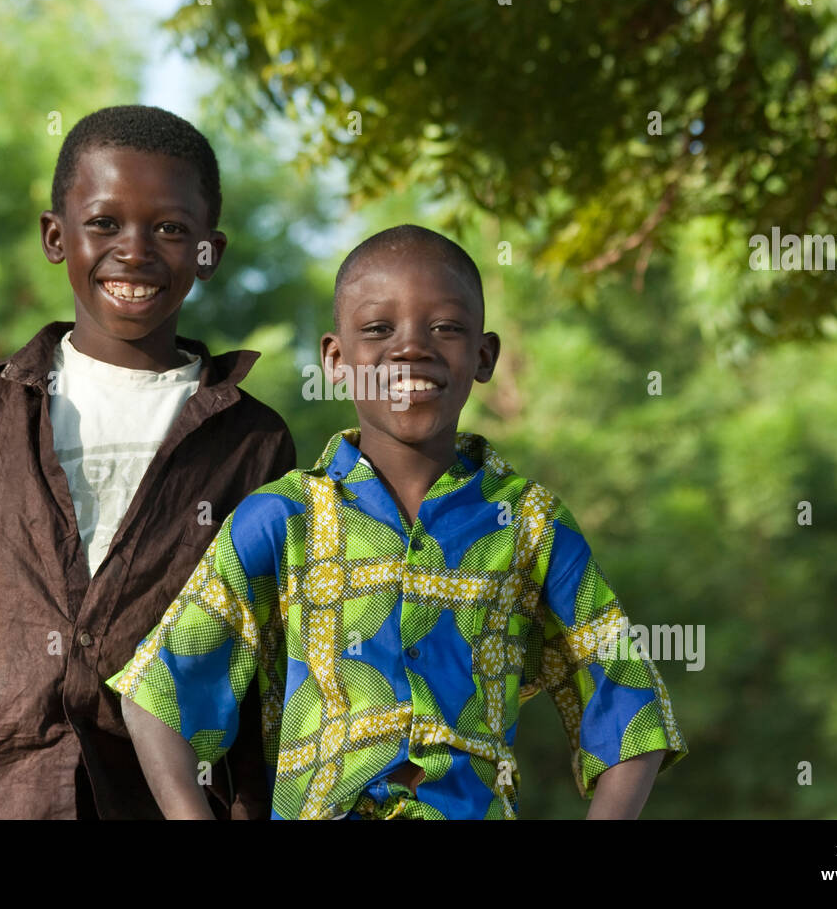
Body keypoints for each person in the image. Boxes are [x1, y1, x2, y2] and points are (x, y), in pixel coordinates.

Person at [107, 224, 687, 819]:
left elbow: (629, 702)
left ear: (483, 356)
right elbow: (158, 697)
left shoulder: (530, 522)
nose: (411, 348)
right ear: (336, 358)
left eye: (445, 328)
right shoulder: (284, 518)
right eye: (379, 329)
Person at [0, 105, 294, 819]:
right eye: (105, 223)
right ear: (57, 237)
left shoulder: (252, 442)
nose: (135, 250)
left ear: (210, 252)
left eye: (171, 229)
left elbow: (263, 667)